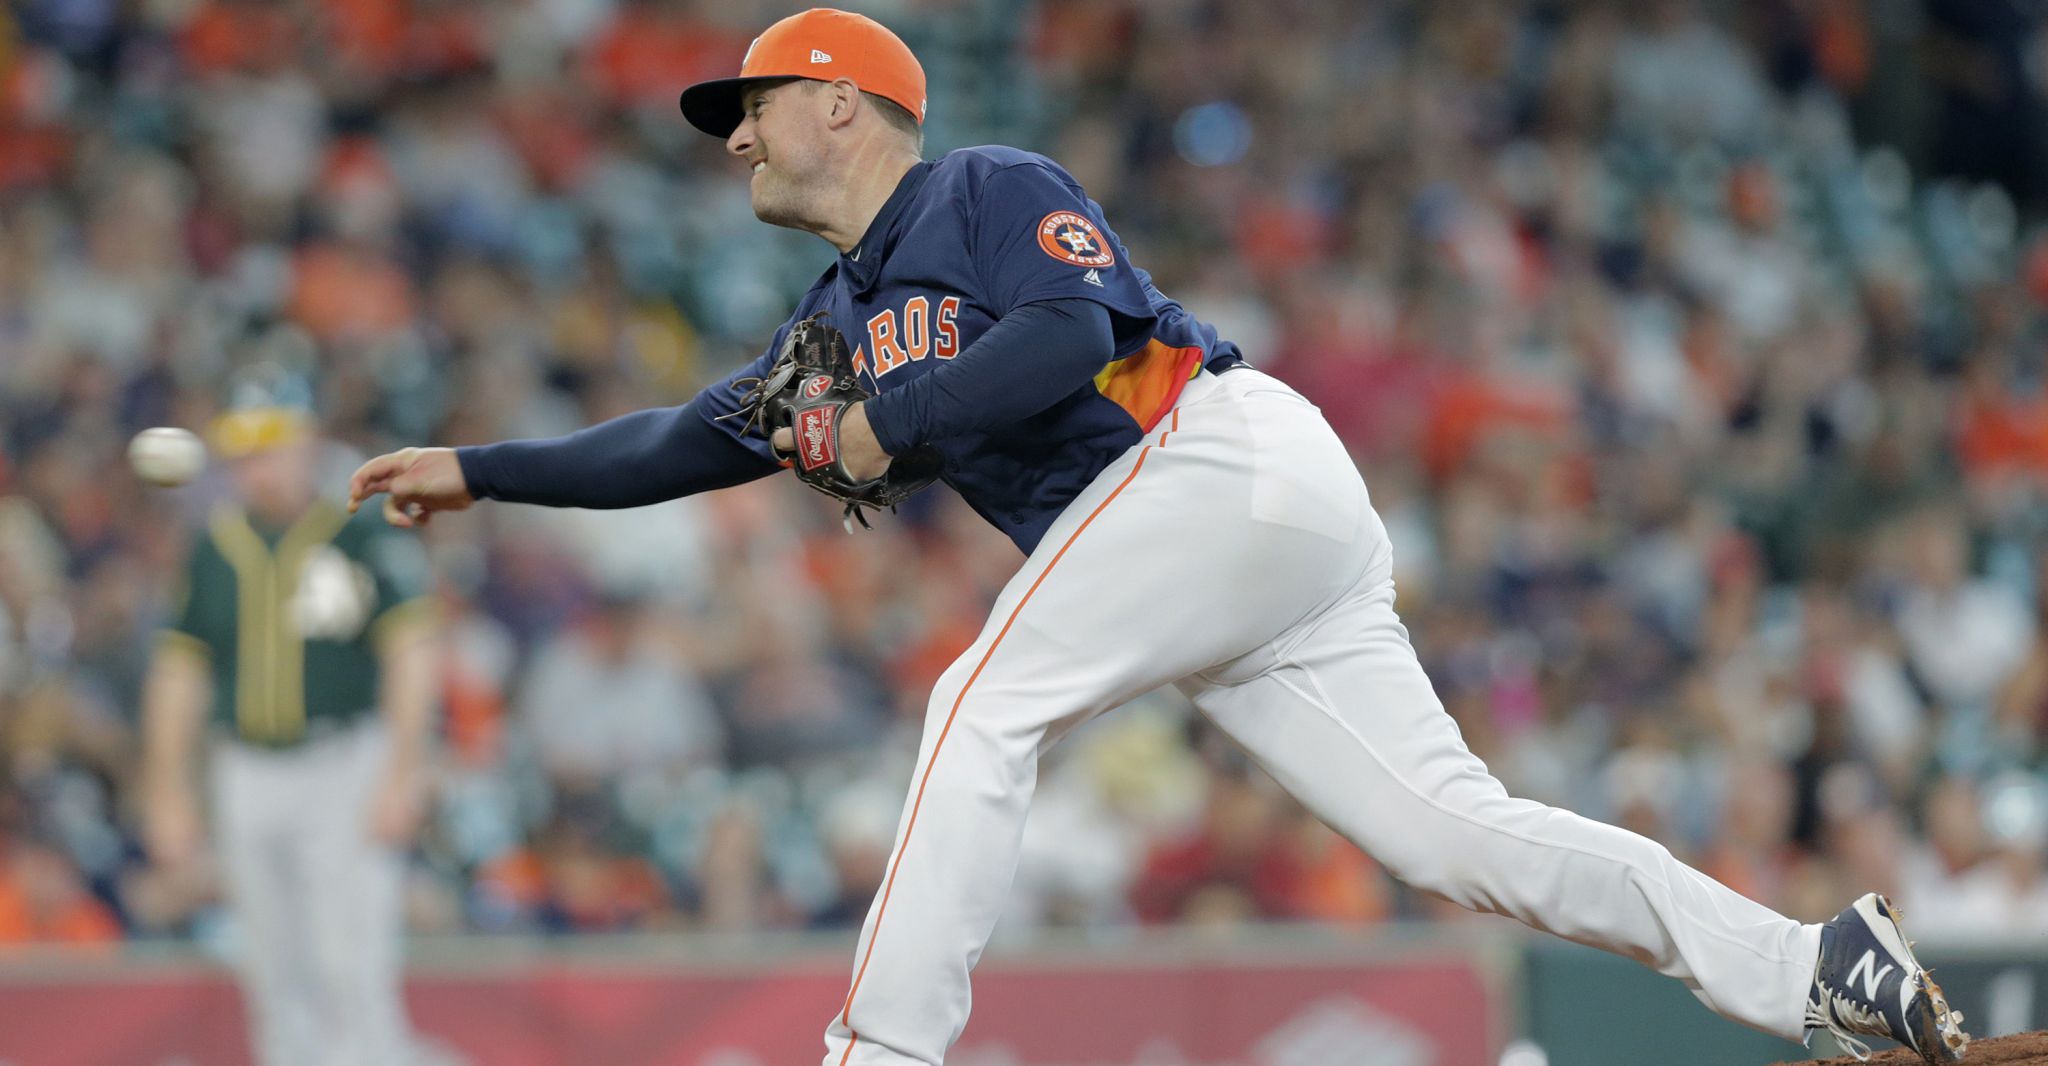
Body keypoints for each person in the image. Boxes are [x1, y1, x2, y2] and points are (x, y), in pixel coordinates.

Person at [345, 9, 1970, 1064]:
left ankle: (878, 1058)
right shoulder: (829, 322)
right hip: (1215, 553)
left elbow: (1068, 329)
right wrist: (482, 474)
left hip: (1213, 459)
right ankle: (1813, 967)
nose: (734, 136)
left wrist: (890, 423)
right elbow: (677, 444)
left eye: (754, 104)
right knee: (1449, 837)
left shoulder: (978, 185)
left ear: (841, 103)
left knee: (976, 703)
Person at [143, 368, 438, 1066]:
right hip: (245, 765)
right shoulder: (215, 544)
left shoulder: (361, 531)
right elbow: (180, 672)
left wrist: (404, 771)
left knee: (350, 962)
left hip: (343, 760)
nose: (257, 467)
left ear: (308, 441)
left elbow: (413, 652)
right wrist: (166, 789)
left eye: (271, 446)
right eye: (245, 451)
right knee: (272, 969)